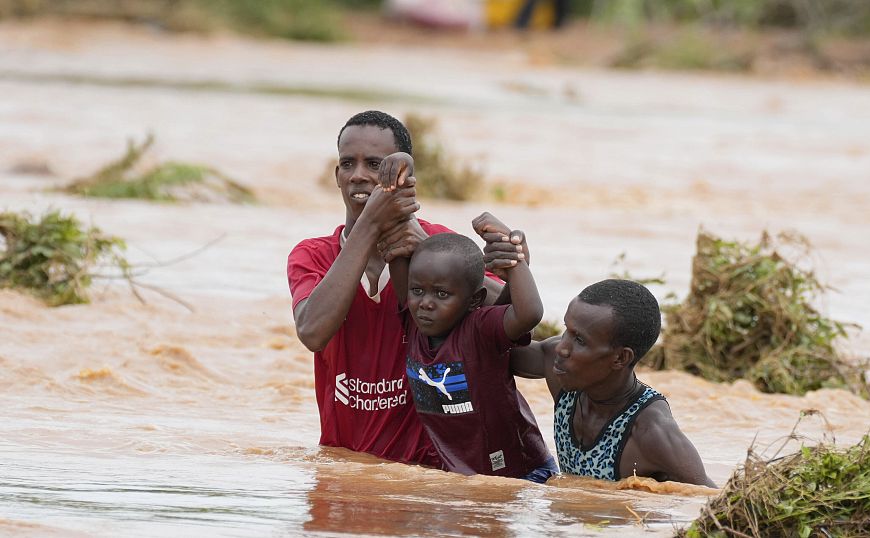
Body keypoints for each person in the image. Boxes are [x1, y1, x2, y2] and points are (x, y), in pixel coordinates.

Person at [287, 110, 502, 466]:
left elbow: (506, 316)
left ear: (404, 178)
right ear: (337, 176)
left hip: (427, 473)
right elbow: (312, 332)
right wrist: (370, 223)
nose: (358, 175)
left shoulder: (440, 245)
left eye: (375, 165)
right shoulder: (312, 255)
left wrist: (425, 252)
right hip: (344, 467)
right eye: (347, 164)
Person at [480, 226, 716, 486]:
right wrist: (515, 269)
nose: (561, 347)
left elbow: (708, 502)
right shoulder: (560, 368)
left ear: (620, 359)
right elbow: (487, 350)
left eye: (579, 340)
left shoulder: (652, 433)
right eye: (566, 330)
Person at [382, 210, 557, 483]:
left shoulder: (479, 328)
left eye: (442, 294)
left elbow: (529, 314)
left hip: (523, 474)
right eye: (418, 291)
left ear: (475, 300)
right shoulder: (414, 323)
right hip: (466, 477)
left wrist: (515, 259)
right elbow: (396, 242)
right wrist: (394, 178)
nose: (426, 302)